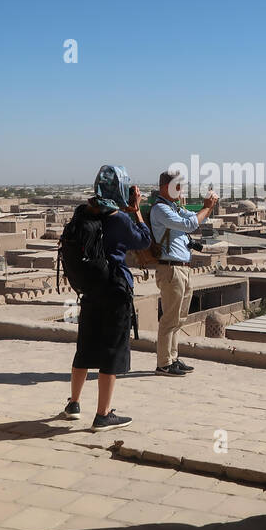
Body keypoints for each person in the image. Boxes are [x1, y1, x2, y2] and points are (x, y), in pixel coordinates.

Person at [59, 164, 151, 430]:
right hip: (115, 292)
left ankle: (73, 403)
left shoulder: (84, 213)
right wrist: (136, 212)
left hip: (90, 291)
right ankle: (103, 414)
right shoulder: (119, 219)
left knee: (85, 347)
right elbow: (144, 241)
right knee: (111, 352)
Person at [148, 170, 218, 376]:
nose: (180, 190)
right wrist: (207, 207)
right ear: (164, 188)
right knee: (169, 318)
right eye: (177, 186)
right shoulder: (160, 209)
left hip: (182, 268)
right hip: (170, 269)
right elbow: (189, 224)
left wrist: (207, 208)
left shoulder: (175, 208)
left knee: (179, 318)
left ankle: (172, 358)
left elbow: (196, 220)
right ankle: (163, 364)